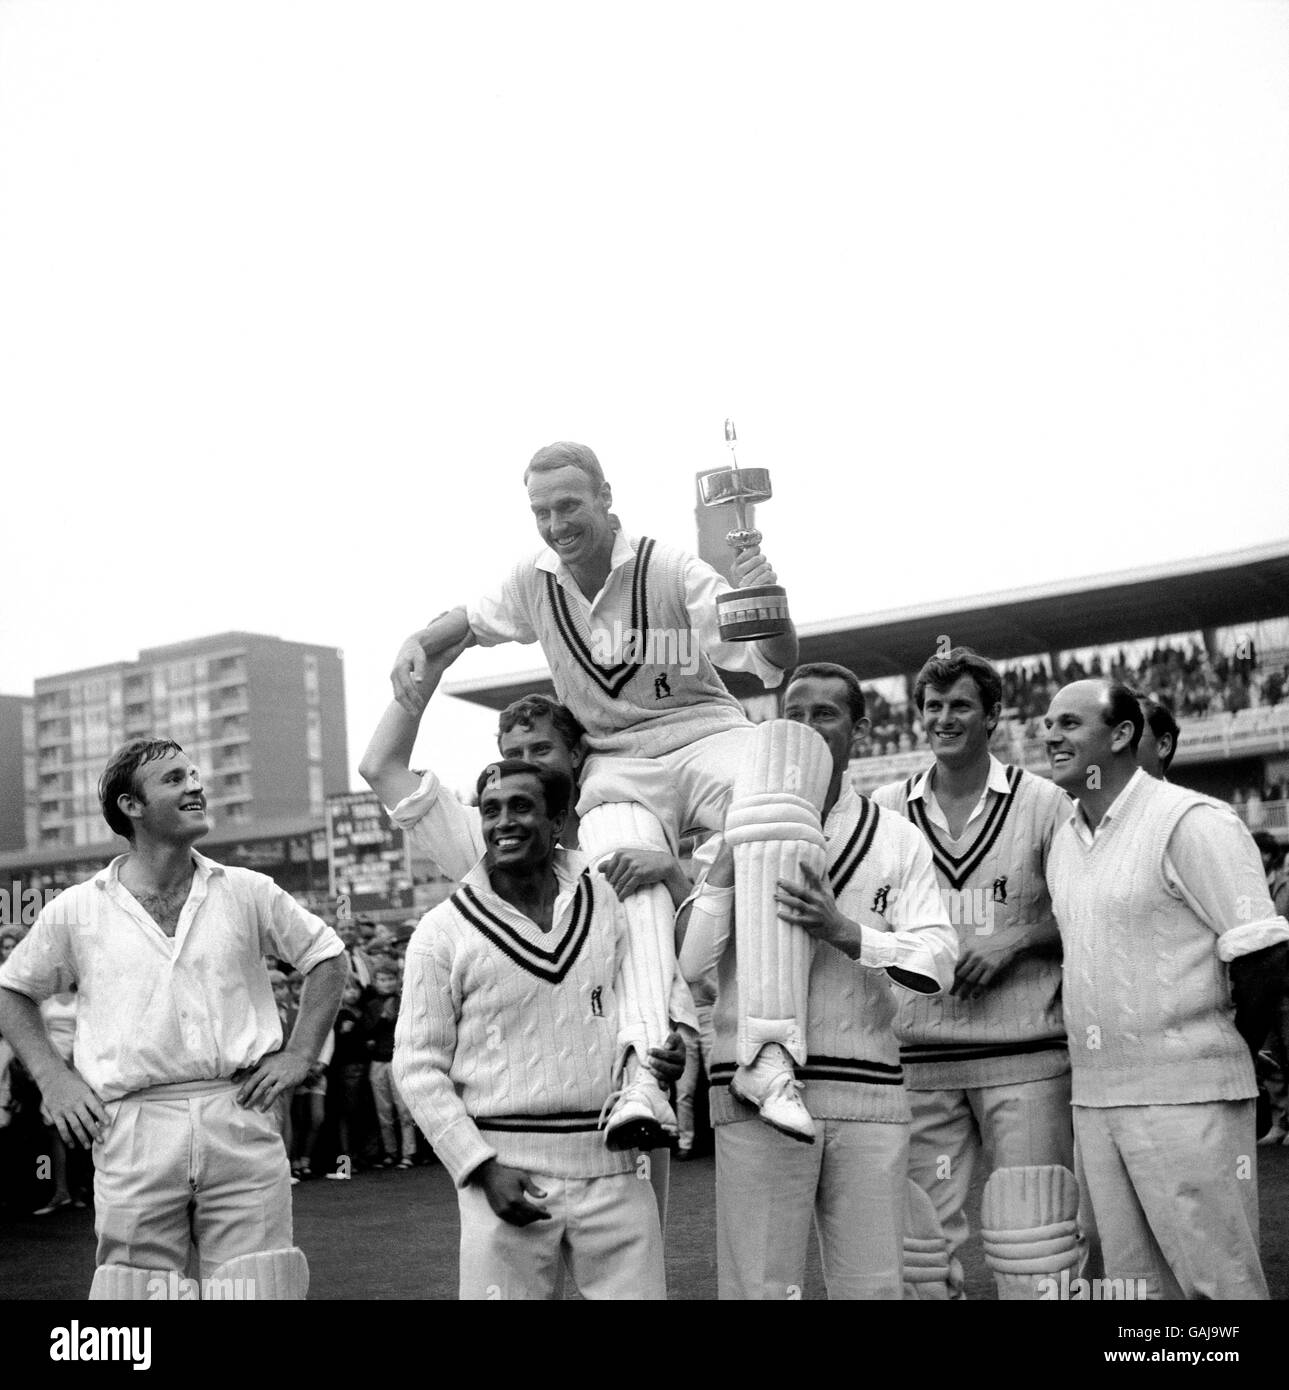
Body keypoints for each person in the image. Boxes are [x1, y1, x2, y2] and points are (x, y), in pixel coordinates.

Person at [388, 442, 823, 1148]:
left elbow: (772, 662)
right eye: (541, 511)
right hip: (618, 762)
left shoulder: (669, 566)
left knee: (778, 790)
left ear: (605, 497)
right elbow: (467, 621)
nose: (556, 524)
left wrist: (766, 603)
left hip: (703, 732)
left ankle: (767, 1054)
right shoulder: (532, 580)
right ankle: (644, 1072)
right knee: (624, 867)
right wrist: (418, 640)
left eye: (568, 506)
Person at [0, 737, 347, 1300]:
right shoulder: (77, 908)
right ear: (130, 806)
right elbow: (11, 990)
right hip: (131, 1123)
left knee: (260, 1288)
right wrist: (53, 1078)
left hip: (239, 1108)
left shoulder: (248, 889)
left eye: (194, 774)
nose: (196, 785)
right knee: (133, 1301)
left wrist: (300, 1055)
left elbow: (329, 958)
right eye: (174, 779)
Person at [361, 645, 691, 1215]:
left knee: (638, 1270)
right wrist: (427, 675)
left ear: (578, 751)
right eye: (512, 752)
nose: (528, 763)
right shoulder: (488, 835)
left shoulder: (627, 822)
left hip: (627, 1101)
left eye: (542, 749)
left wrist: (674, 876)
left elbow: (683, 957)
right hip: (518, 1119)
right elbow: (380, 769)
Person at [681, 663, 957, 1299]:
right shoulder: (734, 826)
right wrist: (727, 861)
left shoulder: (897, 838)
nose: (805, 728)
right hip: (753, 1092)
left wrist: (848, 933)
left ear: (858, 730)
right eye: (794, 714)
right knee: (760, 1287)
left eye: (824, 715)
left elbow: (937, 960)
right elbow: (690, 964)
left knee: (874, 1287)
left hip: (867, 1092)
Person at [1043, 680, 1289, 1299]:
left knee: (1217, 1284)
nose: (1050, 735)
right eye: (1048, 723)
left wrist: (1222, 1052)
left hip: (1188, 1097)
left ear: (1123, 734)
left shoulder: (1193, 821)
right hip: (1095, 1097)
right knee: (1133, 1290)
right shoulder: (1065, 838)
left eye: (1070, 723)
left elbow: (1262, 952)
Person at [393, 758, 673, 1299]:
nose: (504, 822)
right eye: (491, 810)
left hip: (613, 1165)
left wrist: (660, 1057)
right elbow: (417, 1066)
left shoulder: (608, 901)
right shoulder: (442, 930)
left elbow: (642, 1005)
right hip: (504, 1173)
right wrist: (478, 1166)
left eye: (521, 806)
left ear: (560, 818)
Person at [872, 647, 1077, 1299]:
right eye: (931, 707)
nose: (943, 718)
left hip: (1024, 1057)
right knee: (920, 1255)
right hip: (917, 1059)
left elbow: (1088, 910)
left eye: (959, 704)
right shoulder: (882, 808)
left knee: (1034, 1238)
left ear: (992, 714)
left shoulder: (1044, 802)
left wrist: (1015, 939)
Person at [366, 962, 419, 1168]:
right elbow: (367, 1030)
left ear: (397, 980)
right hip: (378, 1061)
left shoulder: (404, 1001)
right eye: (382, 979)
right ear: (375, 982)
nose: (386, 984)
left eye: (390, 979)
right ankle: (390, 1152)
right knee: (383, 1111)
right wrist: (382, 1018)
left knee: (404, 1109)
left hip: (399, 1058)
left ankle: (409, 1153)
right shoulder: (371, 1005)